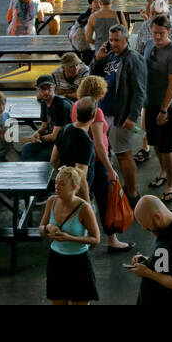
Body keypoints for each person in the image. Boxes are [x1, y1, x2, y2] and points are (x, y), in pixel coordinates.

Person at [70, 75, 133, 253]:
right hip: (97, 161)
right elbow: (98, 143)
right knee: (105, 199)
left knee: (84, 198)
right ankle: (112, 239)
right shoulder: (95, 111)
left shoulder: (77, 105)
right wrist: (110, 168)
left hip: (82, 160)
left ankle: (85, 236)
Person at [97, 25, 148, 200]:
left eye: (117, 40)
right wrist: (98, 59)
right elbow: (93, 77)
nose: (113, 43)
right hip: (104, 113)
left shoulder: (134, 59)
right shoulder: (109, 55)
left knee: (123, 154)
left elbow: (140, 91)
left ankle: (132, 193)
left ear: (126, 40)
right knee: (107, 152)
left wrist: (132, 117)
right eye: (111, 40)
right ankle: (117, 189)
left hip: (121, 116)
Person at [39, 165, 102, 304]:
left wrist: (70, 238)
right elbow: (41, 228)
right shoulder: (51, 201)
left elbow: (96, 239)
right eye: (56, 183)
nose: (57, 187)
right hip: (56, 260)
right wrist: (49, 227)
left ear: (74, 187)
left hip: (79, 262)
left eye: (62, 184)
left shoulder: (84, 208)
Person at [142, 15, 172, 204]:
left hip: (168, 108)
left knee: (167, 149)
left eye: (161, 33)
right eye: (154, 33)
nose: (157, 37)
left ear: (169, 32)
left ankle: (171, 184)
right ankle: (163, 172)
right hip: (151, 103)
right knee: (157, 145)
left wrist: (164, 110)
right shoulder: (149, 45)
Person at [132, 195, 172, 305]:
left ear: (157, 217)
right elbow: (171, 263)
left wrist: (148, 272)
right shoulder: (165, 227)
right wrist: (148, 261)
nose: (143, 228)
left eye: (146, 225)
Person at [20, 75, 74, 162]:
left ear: (54, 87)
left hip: (65, 143)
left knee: (35, 157)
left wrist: (34, 139)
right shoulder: (44, 103)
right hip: (53, 141)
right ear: (37, 89)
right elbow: (44, 127)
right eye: (42, 89)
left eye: (49, 88)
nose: (46, 92)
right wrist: (37, 133)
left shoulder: (61, 105)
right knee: (26, 149)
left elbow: (55, 136)